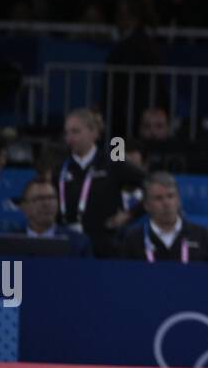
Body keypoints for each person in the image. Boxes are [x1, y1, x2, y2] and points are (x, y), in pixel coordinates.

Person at [55, 107, 146, 258]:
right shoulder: (60, 166)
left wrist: (130, 214)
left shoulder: (112, 163)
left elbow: (153, 184)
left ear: (94, 133)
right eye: (67, 132)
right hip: (68, 245)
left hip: (105, 246)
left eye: (75, 131)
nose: (69, 138)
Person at [118, 172, 208, 263]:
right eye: (158, 198)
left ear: (178, 200)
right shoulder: (133, 239)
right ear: (146, 205)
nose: (166, 203)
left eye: (170, 196)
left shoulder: (201, 235)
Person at [0, 175, 92, 256]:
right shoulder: (10, 244)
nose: (46, 204)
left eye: (51, 198)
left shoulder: (78, 243)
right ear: (24, 206)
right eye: (39, 198)